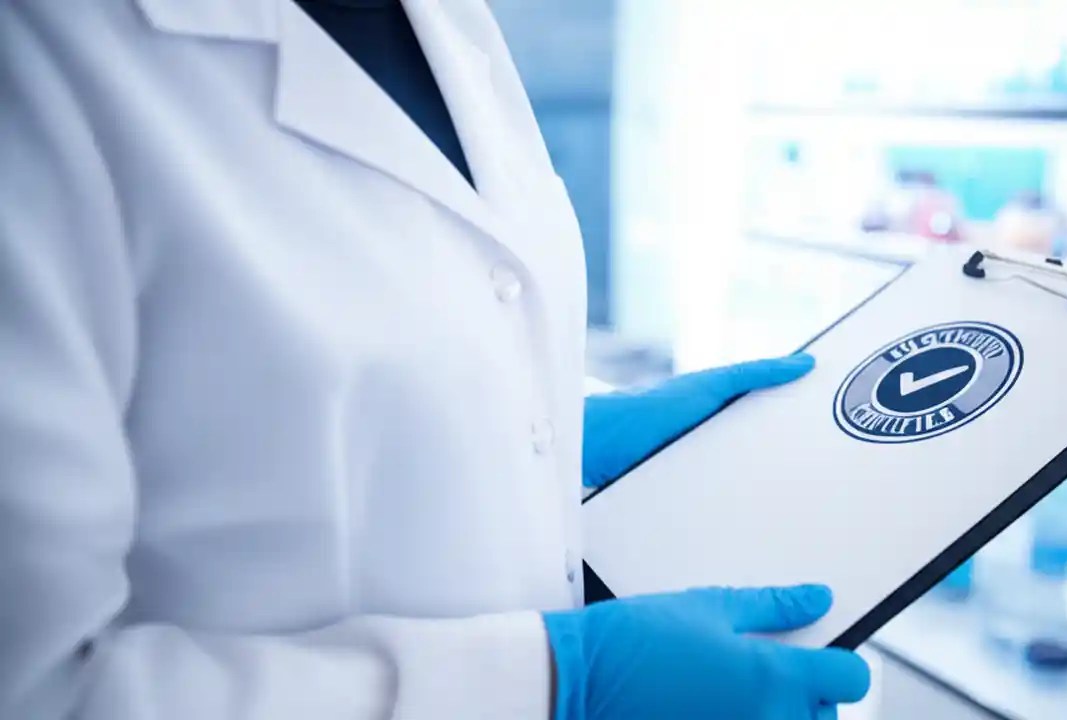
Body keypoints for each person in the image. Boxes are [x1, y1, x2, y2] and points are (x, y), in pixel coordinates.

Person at [0, 0, 870, 717]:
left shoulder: (448, 21)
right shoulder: (43, 54)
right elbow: (36, 689)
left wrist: (556, 433)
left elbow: (389, 325)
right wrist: (557, 685)